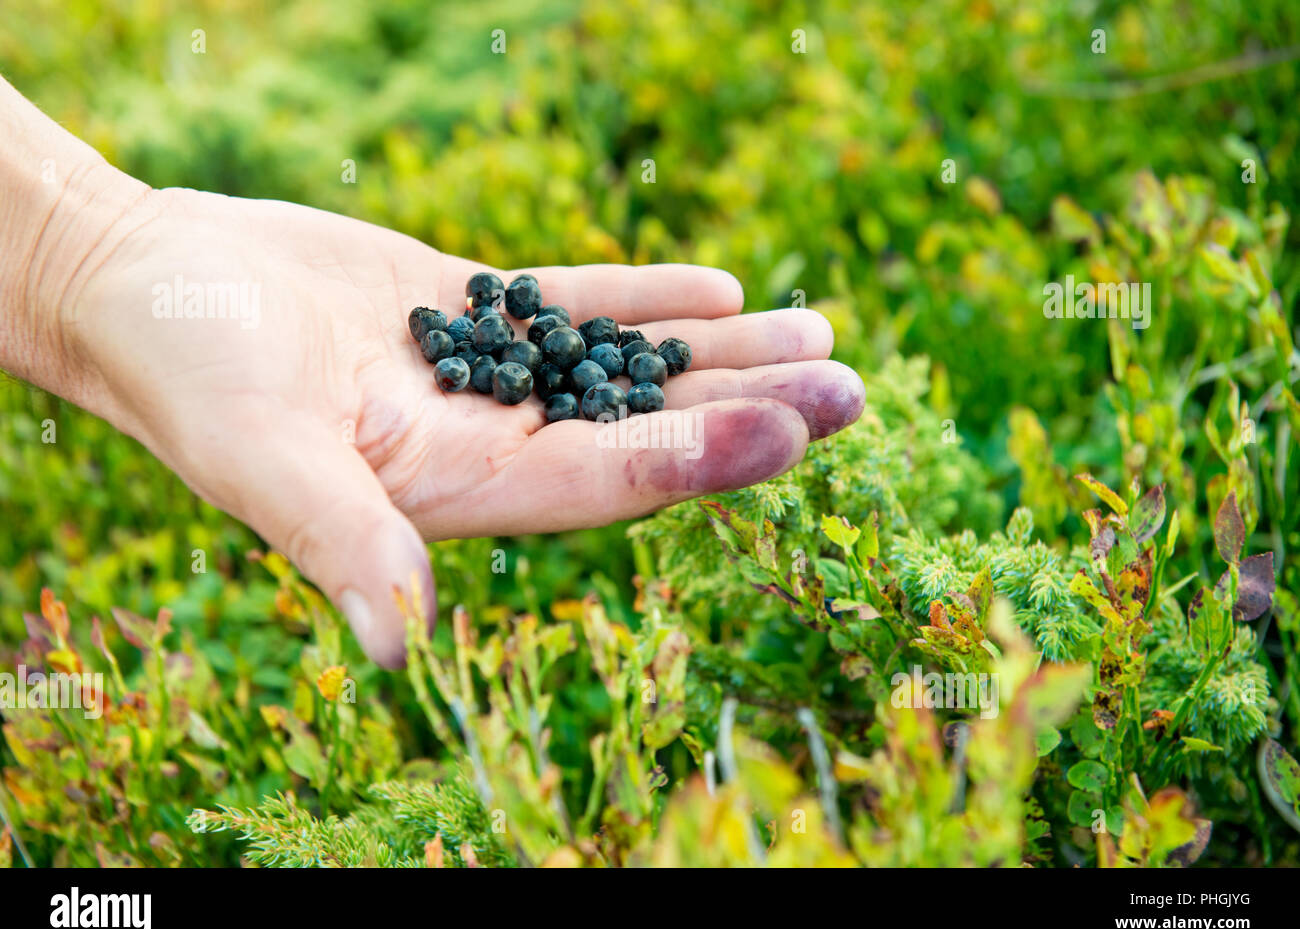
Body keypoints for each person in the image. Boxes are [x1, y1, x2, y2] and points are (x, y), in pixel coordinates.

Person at [0, 76, 865, 667]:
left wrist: (85, 240)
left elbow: (567, 360)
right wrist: (83, 252)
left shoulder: (534, 348)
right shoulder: (486, 347)